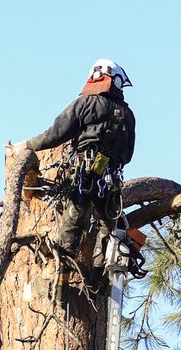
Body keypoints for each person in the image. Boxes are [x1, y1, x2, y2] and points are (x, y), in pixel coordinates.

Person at [25, 57, 136, 260]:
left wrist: (28, 145)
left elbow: (56, 134)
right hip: (110, 182)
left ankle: (63, 265)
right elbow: (127, 156)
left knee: (72, 223)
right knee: (108, 228)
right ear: (117, 82)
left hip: (83, 176)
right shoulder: (128, 115)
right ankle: (97, 273)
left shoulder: (85, 103)